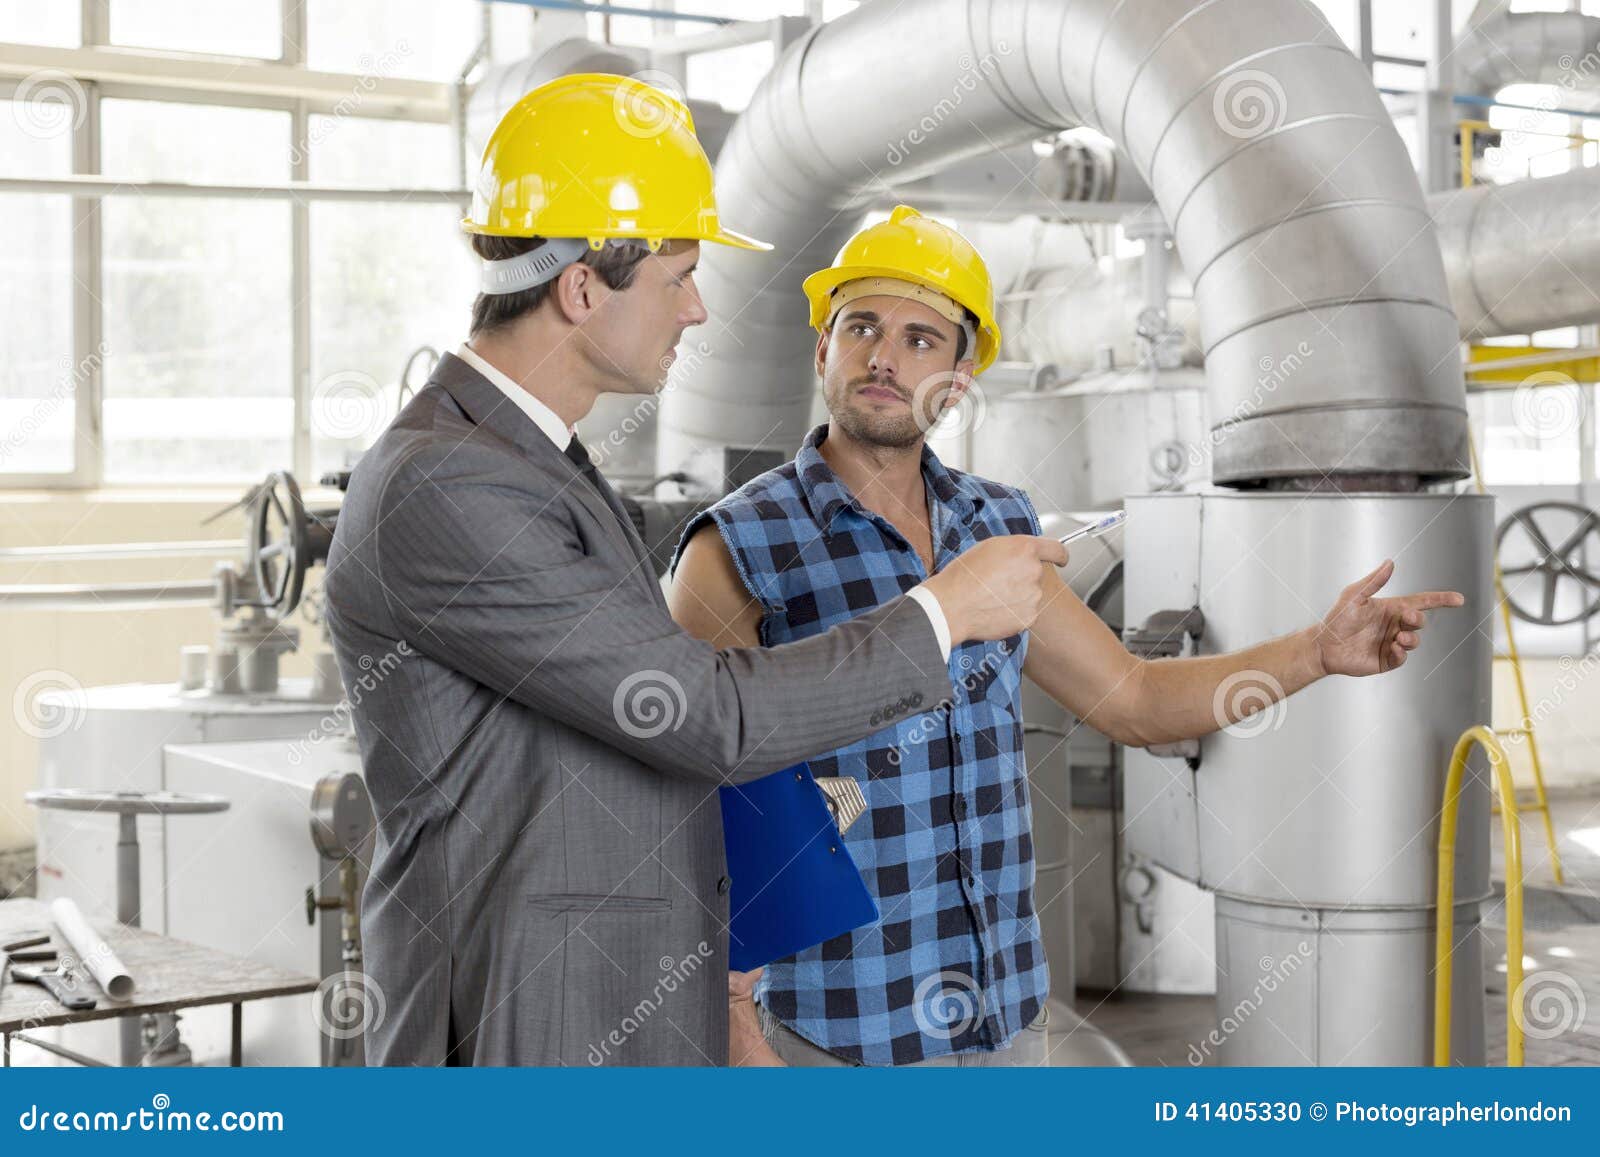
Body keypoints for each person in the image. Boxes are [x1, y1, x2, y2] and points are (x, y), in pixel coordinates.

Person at [321, 80, 1067, 1067]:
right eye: (678, 275)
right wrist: (944, 609)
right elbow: (702, 714)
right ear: (583, 286)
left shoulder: (538, 460)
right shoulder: (450, 482)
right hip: (523, 1013)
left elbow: (613, 677)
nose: (698, 307)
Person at [668, 205, 1466, 1068]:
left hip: (1008, 1016)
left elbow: (1134, 698)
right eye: (860, 326)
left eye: (922, 339)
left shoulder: (996, 523)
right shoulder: (737, 546)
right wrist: (732, 1023)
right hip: (833, 1030)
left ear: (961, 377)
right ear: (822, 347)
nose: (884, 357)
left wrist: (1316, 650)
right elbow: (676, 797)